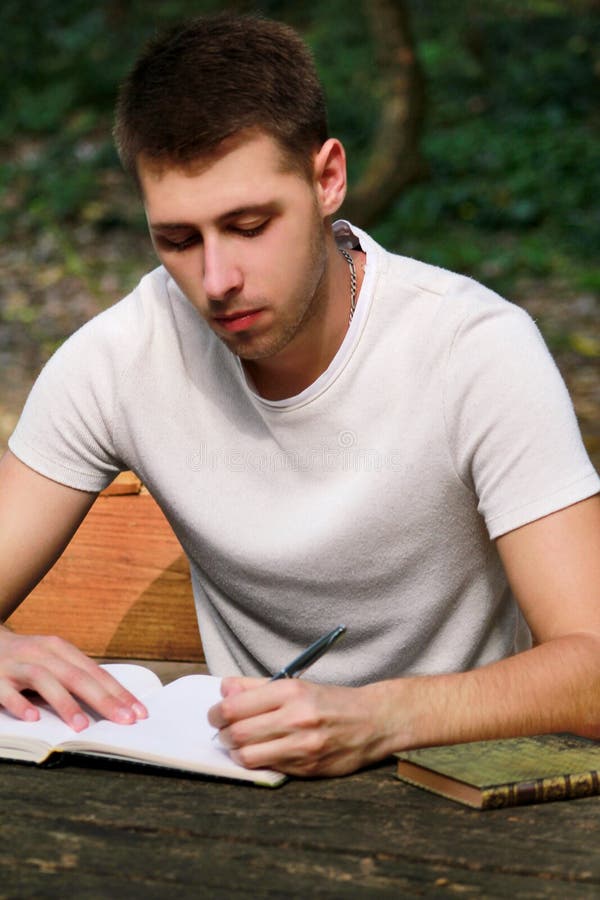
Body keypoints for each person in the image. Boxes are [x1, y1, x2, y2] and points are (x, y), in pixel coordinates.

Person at [0, 14, 599, 778]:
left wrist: (381, 717)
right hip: (234, 795)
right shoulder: (120, 357)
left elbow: (592, 668)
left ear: (327, 179)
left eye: (249, 225)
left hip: (458, 792)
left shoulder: (474, 349)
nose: (216, 281)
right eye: (178, 241)